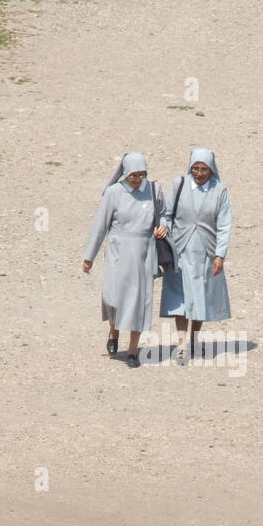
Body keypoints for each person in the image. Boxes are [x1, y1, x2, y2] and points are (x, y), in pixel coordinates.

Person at [82, 152, 168, 367]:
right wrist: (89, 257)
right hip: (118, 252)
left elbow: (164, 214)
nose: (137, 179)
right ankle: (113, 330)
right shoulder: (113, 193)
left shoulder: (154, 190)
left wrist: (163, 226)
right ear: (125, 174)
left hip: (143, 253)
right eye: (133, 175)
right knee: (114, 298)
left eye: (141, 174)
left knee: (139, 301)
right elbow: (100, 226)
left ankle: (132, 351)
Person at [161, 148, 231, 362]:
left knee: (200, 295)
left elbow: (224, 224)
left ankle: (194, 337)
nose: (199, 173)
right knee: (180, 297)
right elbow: (167, 213)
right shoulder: (179, 185)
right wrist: (164, 227)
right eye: (196, 168)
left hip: (205, 252)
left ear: (211, 170)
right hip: (180, 249)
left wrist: (220, 255)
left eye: (204, 169)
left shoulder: (219, 190)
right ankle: (182, 344)